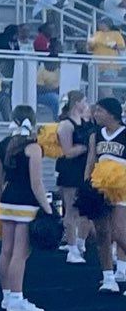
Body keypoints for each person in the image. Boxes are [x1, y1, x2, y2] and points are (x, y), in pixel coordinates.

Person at [0, 107, 49, 311]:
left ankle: (7, 295)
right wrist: (48, 209)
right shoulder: (33, 147)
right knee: (20, 253)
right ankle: (17, 297)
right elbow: (37, 183)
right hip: (26, 203)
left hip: (7, 201)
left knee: (6, 250)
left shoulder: (3, 145)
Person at [91, 97, 126, 295]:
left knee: (120, 232)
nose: (96, 114)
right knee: (102, 233)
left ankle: (122, 269)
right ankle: (108, 277)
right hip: (100, 188)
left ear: (111, 113)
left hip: (122, 189)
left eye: (100, 111)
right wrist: (87, 184)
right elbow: (91, 162)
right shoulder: (96, 135)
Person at [54, 92, 93, 265]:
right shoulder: (65, 125)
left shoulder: (85, 122)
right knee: (70, 210)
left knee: (86, 209)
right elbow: (67, 151)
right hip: (70, 171)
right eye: (84, 101)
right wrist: (87, 147)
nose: (86, 104)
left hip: (85, 169)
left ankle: (80, 242)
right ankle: (71, 248)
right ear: (76, 103)